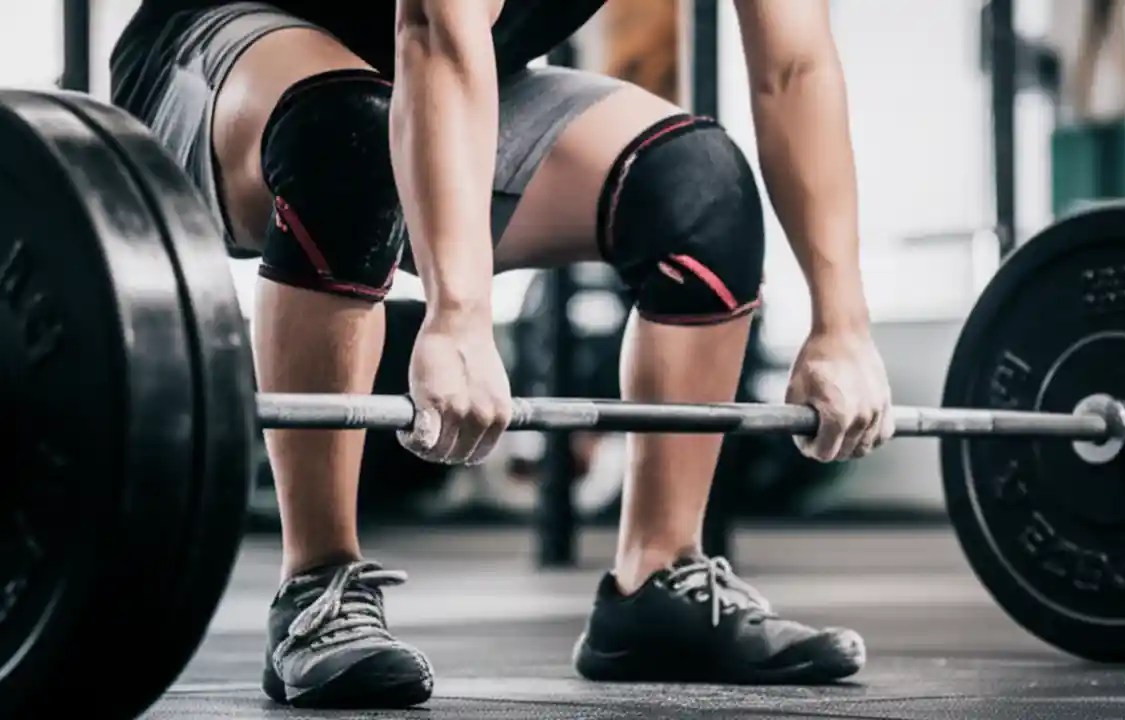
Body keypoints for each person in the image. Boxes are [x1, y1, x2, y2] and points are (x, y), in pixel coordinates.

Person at [110, 0, 895, 709]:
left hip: (442, 83)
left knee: (697, 185)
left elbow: (795, 66)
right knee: (350, 133)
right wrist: (458, 315)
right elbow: (433, 27)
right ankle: (319, 584)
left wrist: (843, 326)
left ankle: (656, 582)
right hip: (218, 61)